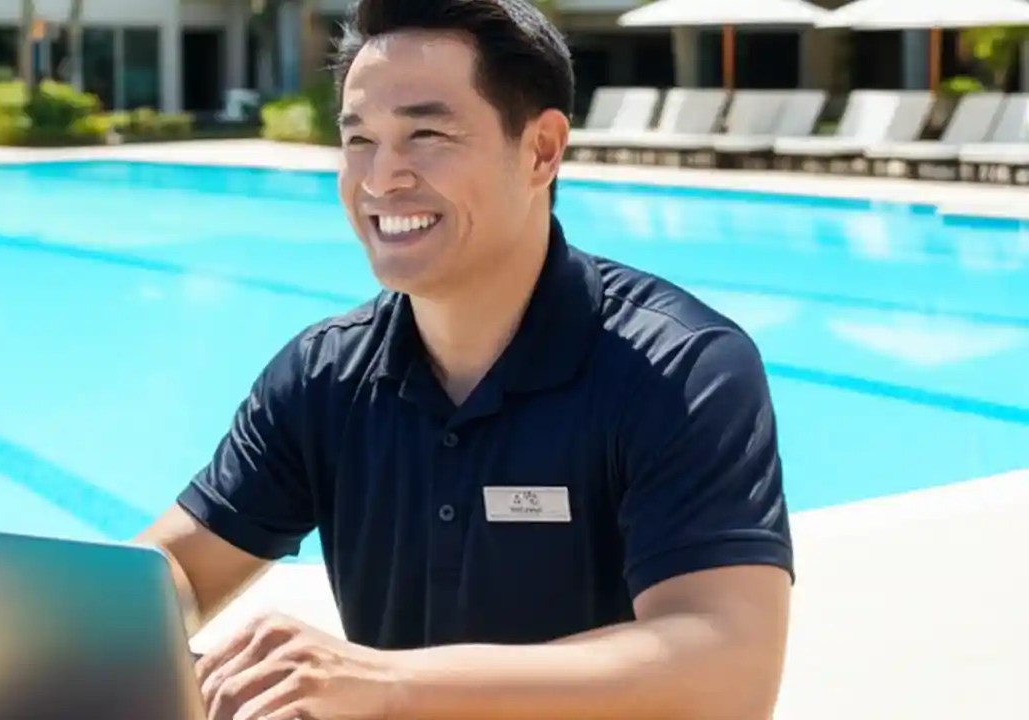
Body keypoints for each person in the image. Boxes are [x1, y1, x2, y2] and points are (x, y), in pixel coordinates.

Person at [136, 0, 795, 718]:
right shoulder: (323, 377)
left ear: (541, 150)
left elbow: (728, 668)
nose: (380, 178)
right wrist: (79, 626)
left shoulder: (679, 369)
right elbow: (171, 574)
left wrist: (386, 683)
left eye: (426, 134)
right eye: (359, 140)